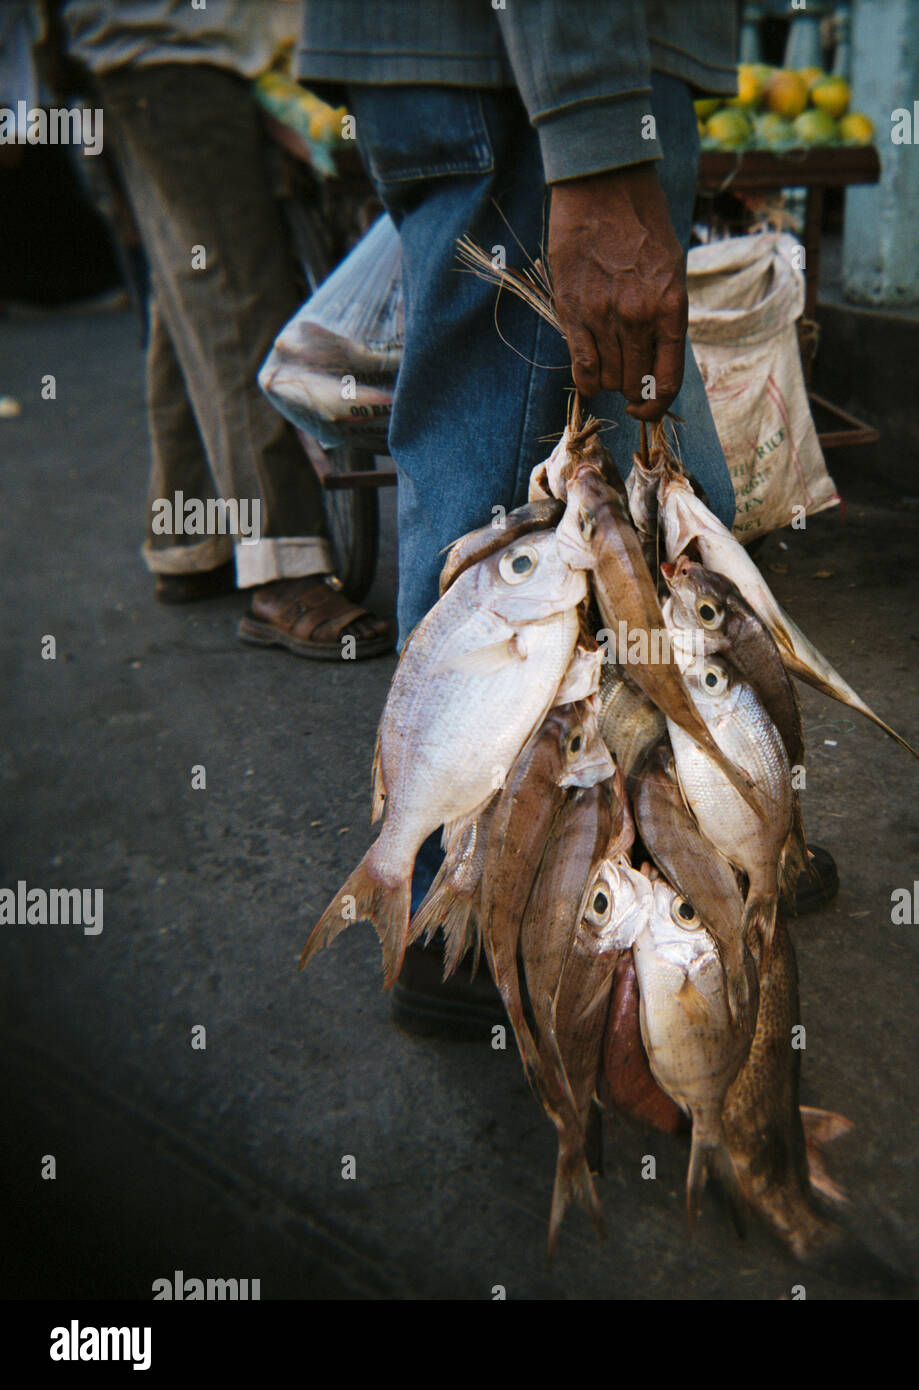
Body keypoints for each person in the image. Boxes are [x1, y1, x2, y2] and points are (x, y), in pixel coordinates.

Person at [296, 0, 742, 1029]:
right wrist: (589, 135)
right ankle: (477, 920)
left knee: (514, 465)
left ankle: (558, 889)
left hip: (494, 74)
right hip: (532, 83)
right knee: (511, 497)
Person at [61, 0, 392, 658]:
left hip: (164, 51)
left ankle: (191, 536)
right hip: (175, 51)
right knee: (236, 295)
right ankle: (283, 567)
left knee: (191, 282)